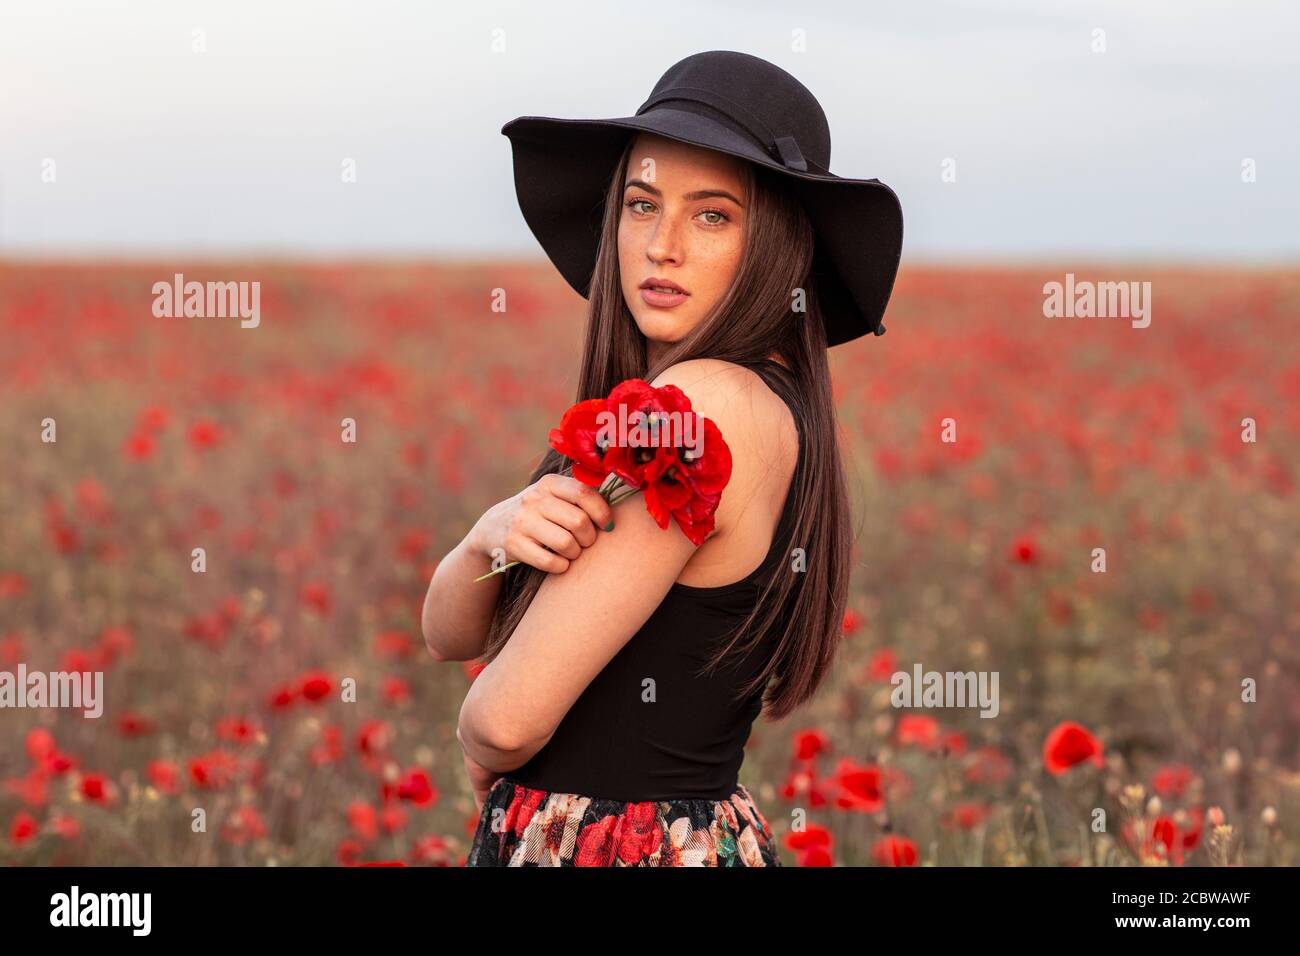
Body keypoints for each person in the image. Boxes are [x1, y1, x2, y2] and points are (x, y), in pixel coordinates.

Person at [421, 49, 903, 867]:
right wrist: (487, 539)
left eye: (713, 215)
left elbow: (504, 720)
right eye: (643, 205)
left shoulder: (703, 407)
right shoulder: (728, 397)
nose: (662, 245)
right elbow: (444, 630)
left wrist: (482, 746)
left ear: (779, 245)